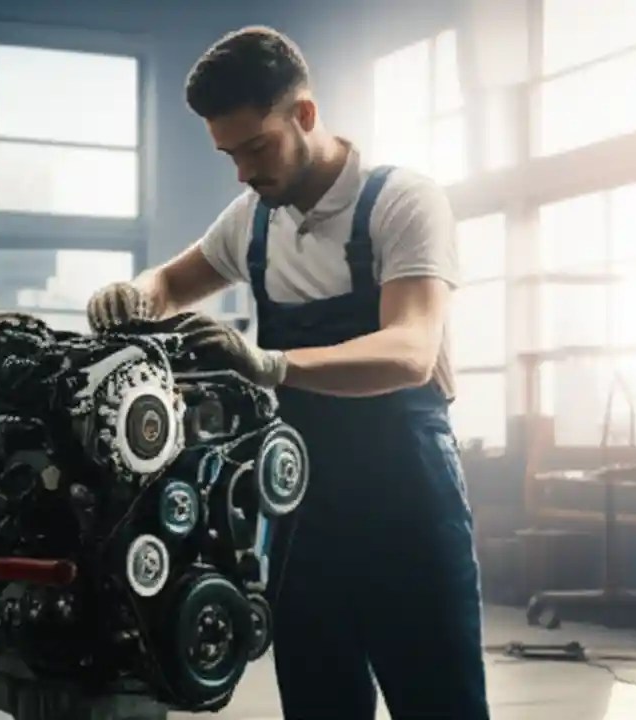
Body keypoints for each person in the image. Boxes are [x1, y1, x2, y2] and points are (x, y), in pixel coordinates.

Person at [85, 26, 490, 720]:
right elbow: (169, 286)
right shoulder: (253, 222)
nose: (242, 171)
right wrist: (137, 293)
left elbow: (411, 350)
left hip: (408, 506)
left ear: (303, 114)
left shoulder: (401, 202)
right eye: (228, 154)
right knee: (319, 704)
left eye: (255, 147)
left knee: (440, 704)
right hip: (299, 511)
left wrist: (271, 364)